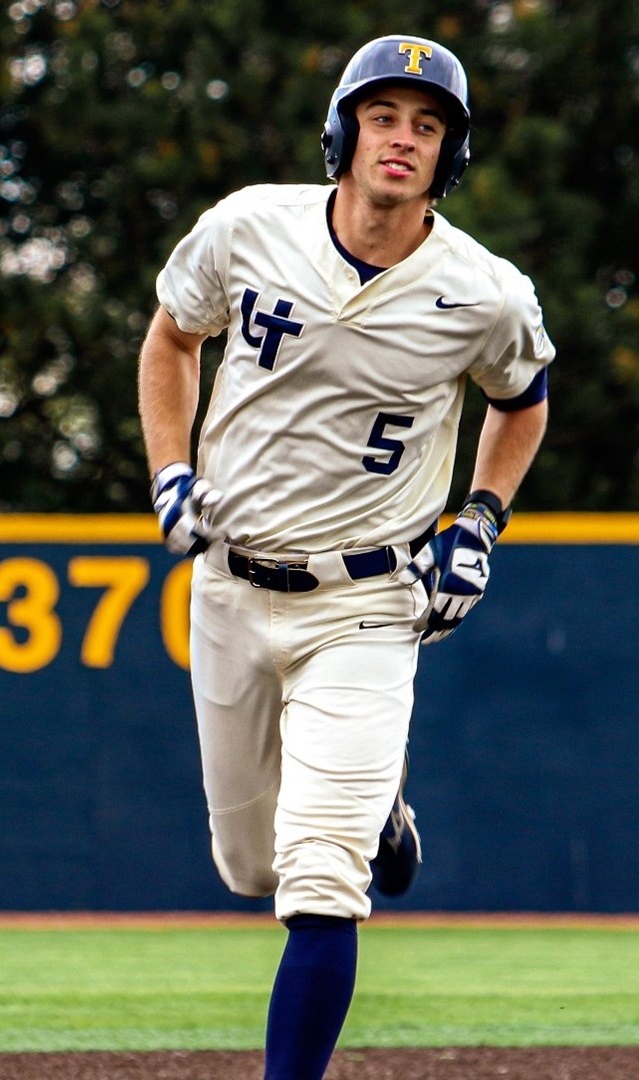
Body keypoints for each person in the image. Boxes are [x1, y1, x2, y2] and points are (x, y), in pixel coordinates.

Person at [137, 33, 552, 1080]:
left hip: (369, 601)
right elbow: (170, 337)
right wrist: (168, 471)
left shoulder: (484, 291)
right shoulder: (249, 227)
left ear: (449, 155)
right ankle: (383, 812)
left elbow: (525, 402)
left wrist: (479, 522)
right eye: (383, 117)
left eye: (427, 125)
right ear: (343, 130)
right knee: (247, 865)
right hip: (231, 581)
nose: (402, 140)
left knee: (316, 881)